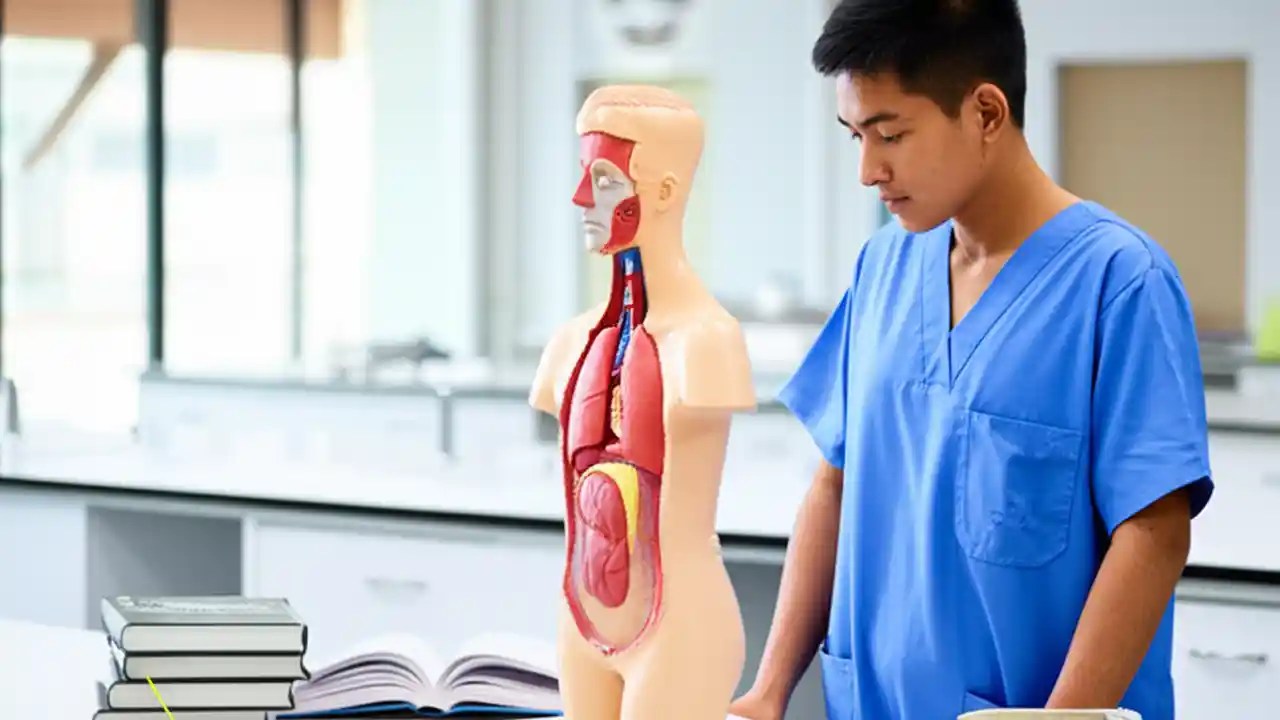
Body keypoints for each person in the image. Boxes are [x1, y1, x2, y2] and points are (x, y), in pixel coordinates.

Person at [727, 1, 1214, 719]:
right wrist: (768, 691)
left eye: (889, 133)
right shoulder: (883, 267)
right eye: (855, 135)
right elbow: (834, 486)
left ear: (986, 111)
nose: (868, 170)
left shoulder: (1119, 281)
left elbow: (1155, 531)